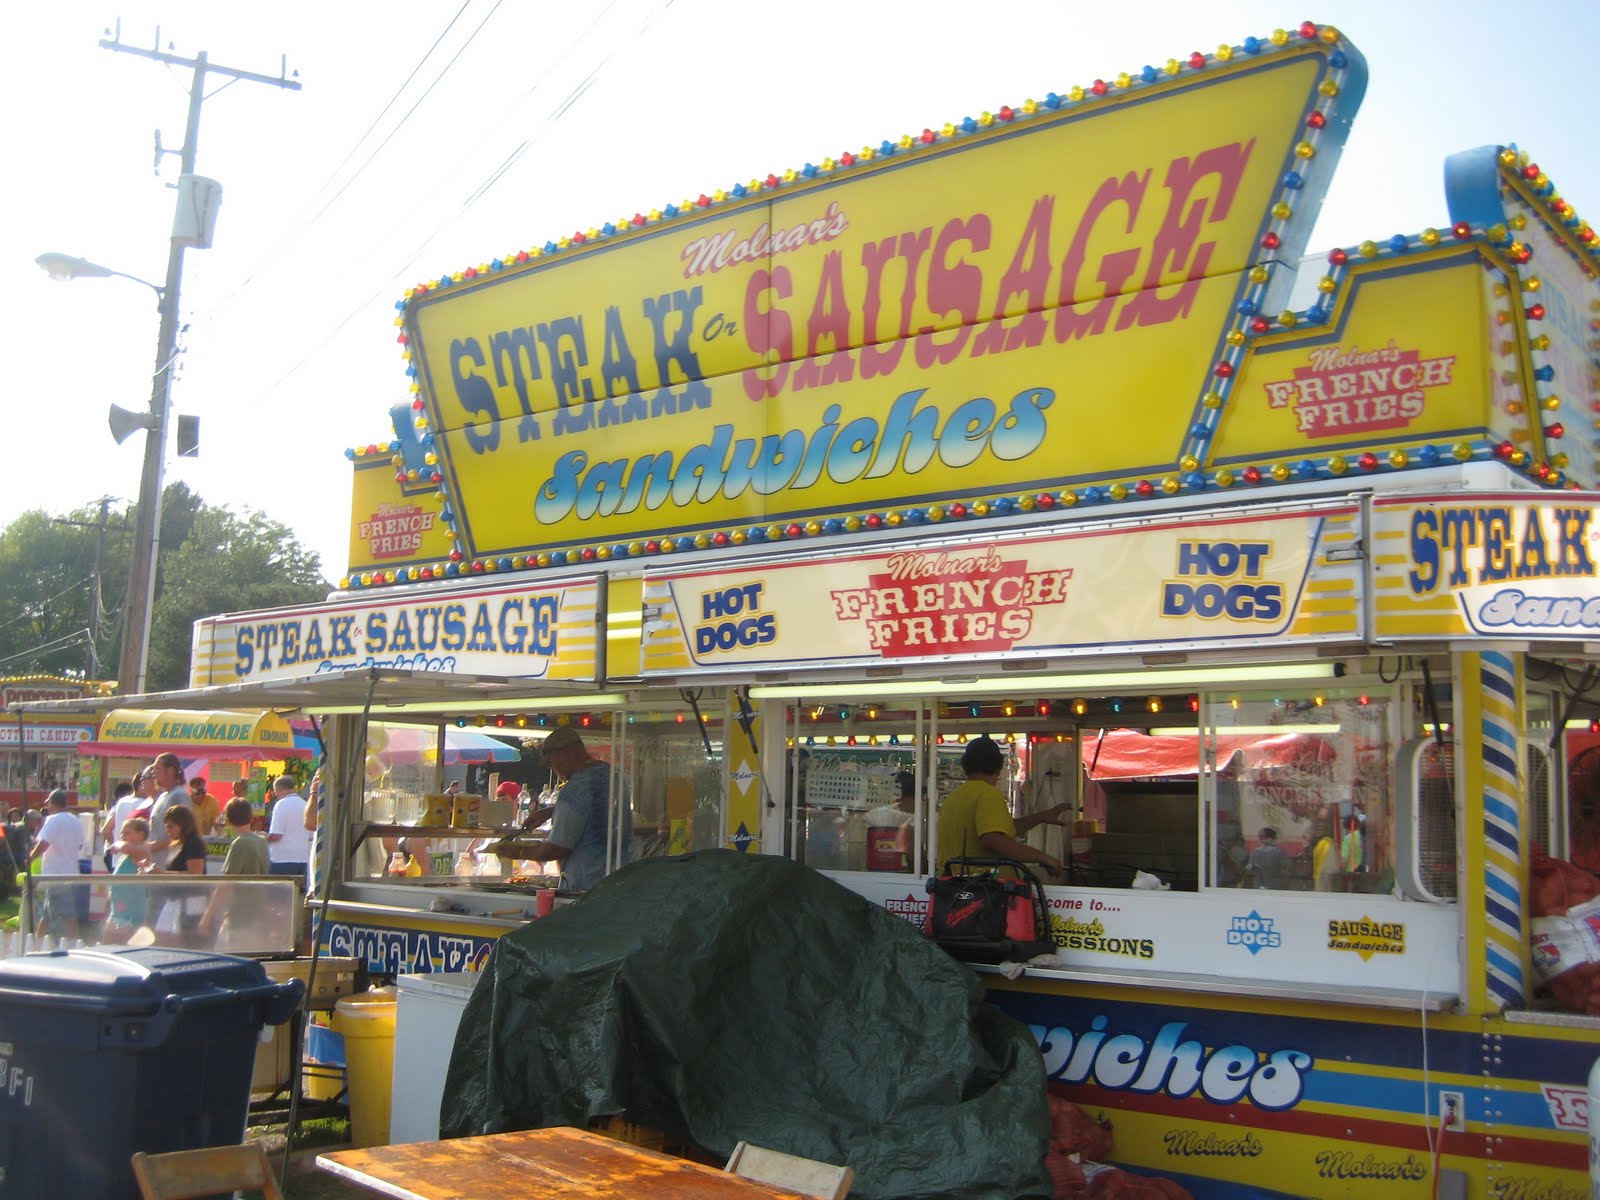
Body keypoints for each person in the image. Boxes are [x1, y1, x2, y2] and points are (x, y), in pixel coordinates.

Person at [489, 726, 631, 891]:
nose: (553, 770)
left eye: (550, 762)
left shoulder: (574, 788)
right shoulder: (613, 776)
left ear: (563, 754)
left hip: (586, 889)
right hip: (619, 882)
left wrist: (517, 852)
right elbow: (596, 809)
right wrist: (552, 812)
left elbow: (555, 849)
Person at [936, 736, 1066, 876]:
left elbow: (1000, 829)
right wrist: (1043, 858)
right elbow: (992, 839)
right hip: (983, 888)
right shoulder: (988, 794)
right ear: (999, 767)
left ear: (965, 765)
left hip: (955, 885)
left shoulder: (954, 797)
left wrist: (1041, 817)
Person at [198, 799, 273, 948]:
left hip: (240, 916)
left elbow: (225, 883)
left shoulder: (239, 843)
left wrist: (207, 916)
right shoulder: (261, 841)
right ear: (251, 818)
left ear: (229, 821)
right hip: (258, 912)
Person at [29, 789, 84, 942]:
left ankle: (74, 943)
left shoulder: (53, 819)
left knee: (68, 914)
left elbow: (44, 843)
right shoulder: (75, 820)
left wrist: (30, 858)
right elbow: (80, 845)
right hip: (72, 871)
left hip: (57, 874)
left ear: (52, 803)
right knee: (47, 913)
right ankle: (38, 942)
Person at [157, 805, 209, 947]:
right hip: (175, 899)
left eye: (171, 827)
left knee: (181, 941)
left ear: (183, 825)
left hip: (190, 900)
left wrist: (160, 874)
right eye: (167, 827)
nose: (168, 831)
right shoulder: (178, 843)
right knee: (162, 938)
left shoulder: (193, 843)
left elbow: (195, 874)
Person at [103, 817, 153, 943]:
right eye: (122, 834)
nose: (122, 836)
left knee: (123, 945)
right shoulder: (125, 856)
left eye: (127, 833)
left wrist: (117, 844)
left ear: (141, 834)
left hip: (131, 913)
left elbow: (125, 847)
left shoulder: (143, 850)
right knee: (107, 945)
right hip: (118, 911)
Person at [146, 752, 191, 869]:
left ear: (170, 771)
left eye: (157, 769)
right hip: (156, 867)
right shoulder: (162, 796)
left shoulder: (179, 796)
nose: (153, 773)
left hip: (170, 869)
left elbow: (183, 834)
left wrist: (147, 847)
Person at [265, 775, 311, 880]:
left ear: (280, 789)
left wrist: (263, 838)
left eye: (275, 792)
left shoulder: (281, 804)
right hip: (302, 858)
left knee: (278, 894)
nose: (276, 795)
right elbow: (310, 836)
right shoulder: (306, 805)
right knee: (298, 894)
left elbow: (276, 835)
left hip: (282, 859)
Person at [101, 781, 140, 870]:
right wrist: (118, 846)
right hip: (113, 852)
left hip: (113, 851)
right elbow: (106, 831)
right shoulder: (117, 809)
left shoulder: (117, 808)